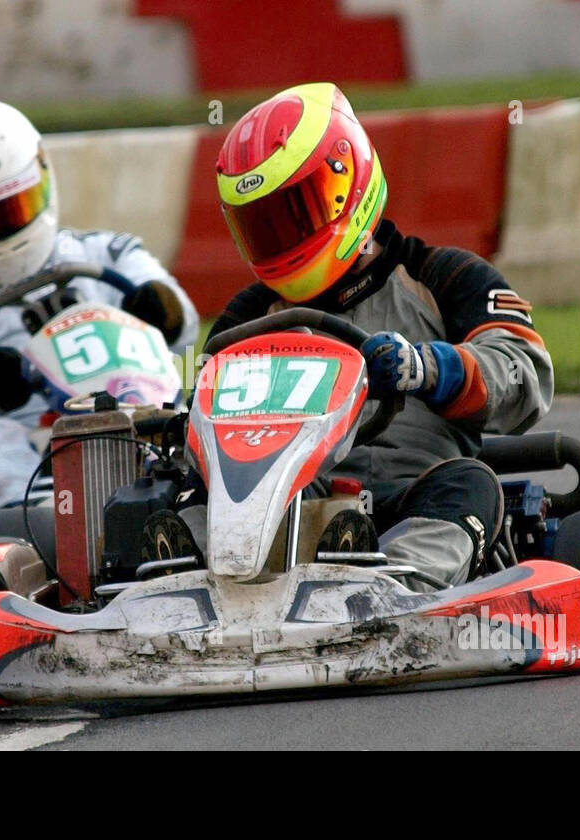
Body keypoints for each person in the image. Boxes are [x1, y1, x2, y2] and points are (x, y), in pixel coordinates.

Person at [168, 82, 553, 588]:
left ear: (346, 182)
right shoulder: (250, 317)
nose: (282, 239)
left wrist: (429, 368)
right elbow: (208, 421)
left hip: (417, 491)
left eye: (295, 213)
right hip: (296, 504)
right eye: (263, 225)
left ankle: (395, 587)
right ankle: (183, 584)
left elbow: (525, 375)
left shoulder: (442, 275)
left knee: (472, 484)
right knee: (190, 492)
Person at [0, 94, 199, 513]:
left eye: (12, 207)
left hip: (136, 416)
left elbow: (183, 322)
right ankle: (25, 531)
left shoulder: (107, 254)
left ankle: (200, 499)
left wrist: (162, 312)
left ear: (43, 177)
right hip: (21, 440)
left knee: (193, 411)